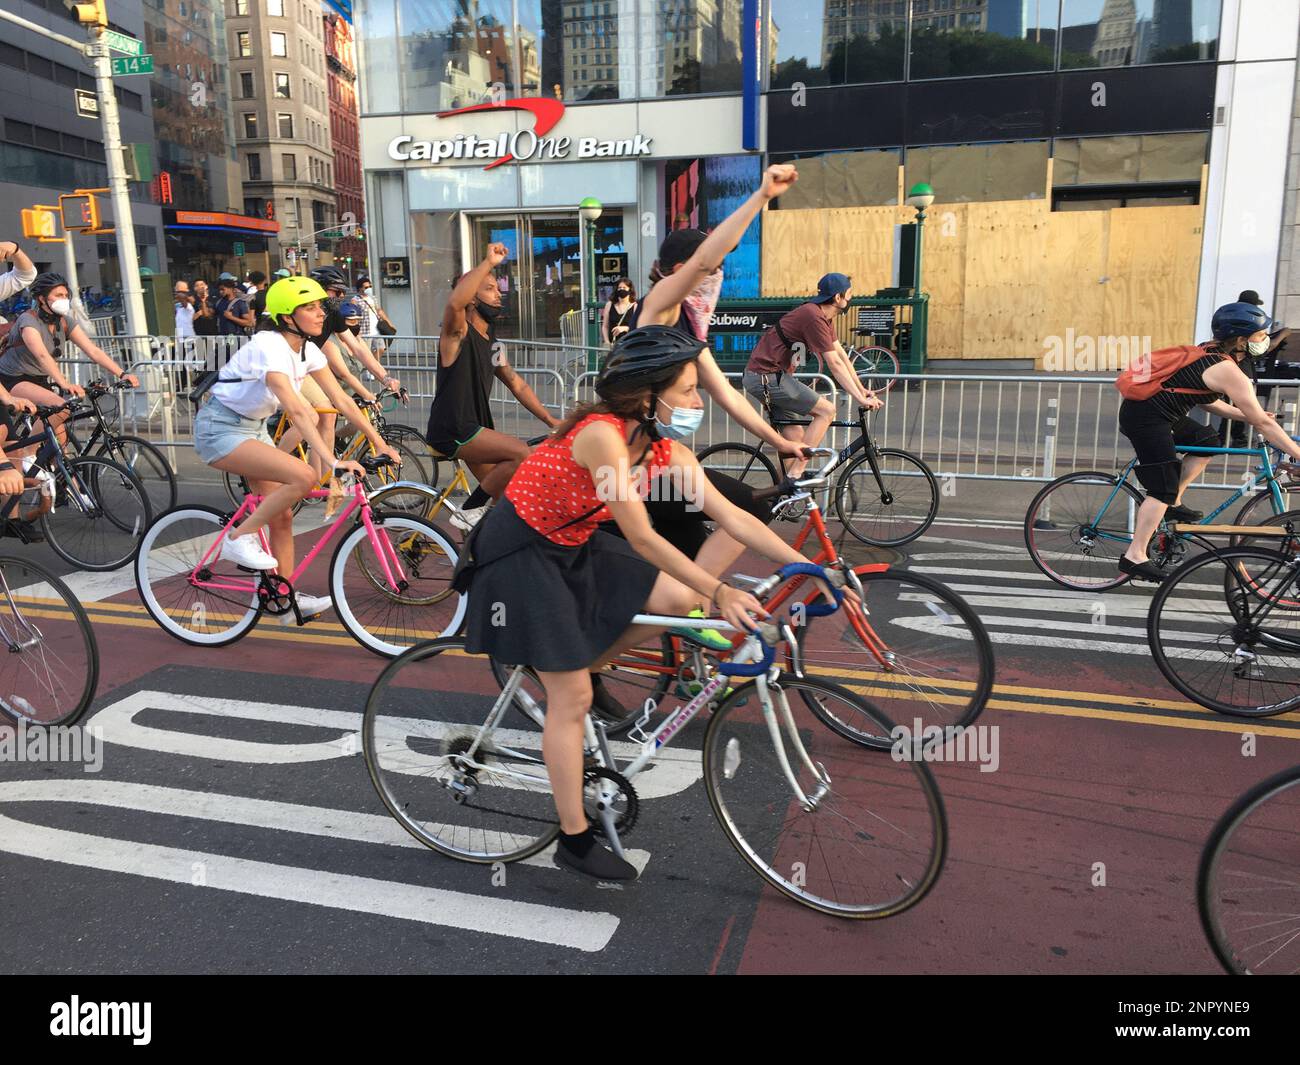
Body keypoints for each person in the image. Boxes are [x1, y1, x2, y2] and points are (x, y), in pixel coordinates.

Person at [462, 326, 841, 880]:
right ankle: (573, 839)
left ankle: (580, 661)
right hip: (518, 553)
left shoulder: (664, 450)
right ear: (648, 396)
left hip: (571, 544)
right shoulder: (602, 438)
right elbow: (641, 537)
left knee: (674, 596)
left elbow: (735, 517)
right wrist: (721, 590)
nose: (696, 404)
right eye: (689, 392)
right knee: (572, 697)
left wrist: (812, 569)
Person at [192, 276, 401, 623]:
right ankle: (239, 537)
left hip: (252, 429)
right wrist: (332, 461)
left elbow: (341, 402)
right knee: (304, 475)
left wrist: (381, 443)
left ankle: (282, 598)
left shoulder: (308, 350)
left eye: (320, 306)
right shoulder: (267, 347)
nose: (321, 314)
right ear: (288, 317)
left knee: (283, 517)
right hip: (220, 429)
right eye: (311, 307)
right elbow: (300, 410)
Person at [1117, 301, 1300, 582]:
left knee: (1206, 438)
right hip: (1146, 419)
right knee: (1161, 487)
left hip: (1158, 413)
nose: (1265, 340)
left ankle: (1173, 502)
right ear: (1241, 340)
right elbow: (1262, 424)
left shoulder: (1209, 351)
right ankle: (1135, 555)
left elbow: (1210, 401)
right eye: (1261, 335)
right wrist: (1297, 453)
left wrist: (1251, 412)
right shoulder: (1226, 369)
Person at [425, 243, 560, 532]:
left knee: (508, 504)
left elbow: (515, 383)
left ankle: (476, 555)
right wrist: (487, 262)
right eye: (489, 289)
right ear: (472, 296)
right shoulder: (457, 333)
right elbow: (453, 305)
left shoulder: (492, 340)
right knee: (521, 452)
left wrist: (552, 420)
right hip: (454, 428)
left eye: (497, 289)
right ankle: (469, 511)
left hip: (476, 428)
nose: (498, 295)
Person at [743, 272, 882, 471]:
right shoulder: (813, 316)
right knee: (827, 411)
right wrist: (861, 400)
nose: (851, 298)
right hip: (766, 377)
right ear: (837, 298)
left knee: (797, 442)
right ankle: (796, 477)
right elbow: (834, 363)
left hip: (772, 377)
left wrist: (862, 391)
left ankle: (785, 494)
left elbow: (842, 355)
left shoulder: (824, 318)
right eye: (849, 294)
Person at [0, 272, 139, 452]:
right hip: (13, 377)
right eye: (58, 295)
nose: (64, 299)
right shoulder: (28, 320)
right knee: (61, 409)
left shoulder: (65, 322)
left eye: (66, 295)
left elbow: (93, 350)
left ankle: (69, 478)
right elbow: (42, 355)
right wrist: (65, 384)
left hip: (40, 379)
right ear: (42, 299)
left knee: (61, 448)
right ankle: (28, 455)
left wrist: (122, 373)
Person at [601, 278, 637, 347]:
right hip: (612, 345)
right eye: (619, 288)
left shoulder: (635, 306)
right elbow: (605, 326)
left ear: (629, 289)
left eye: (624, 287)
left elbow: (637, 327)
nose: (621, 290)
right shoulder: (609, 305)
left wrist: (624, 328)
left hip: (629, 345)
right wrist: (607, 342)